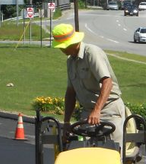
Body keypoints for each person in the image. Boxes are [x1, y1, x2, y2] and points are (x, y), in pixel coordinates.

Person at [52, 23, 128, 152]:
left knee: (113, 152)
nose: (61, 50)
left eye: (62, 46)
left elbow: (107, 82)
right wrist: (66, 123)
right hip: (88, 112)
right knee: (86, 153)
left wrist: (97, 110)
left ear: (72, 43)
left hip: (109, 109)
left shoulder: (91, 53)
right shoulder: (70, 61)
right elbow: (71, 92)